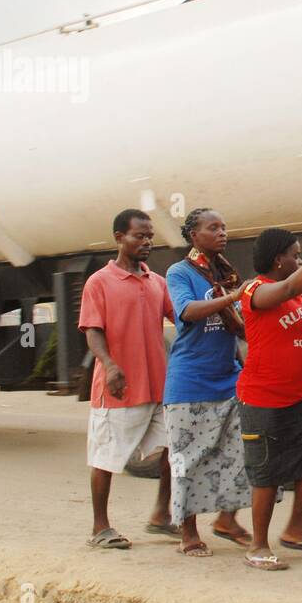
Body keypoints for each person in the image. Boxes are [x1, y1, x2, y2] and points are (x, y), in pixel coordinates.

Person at [236, 227, 302, 571]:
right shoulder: (255, 289)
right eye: (294, 254)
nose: (297, 259)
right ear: (278, 258)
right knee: (266, 473)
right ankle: (258, 545)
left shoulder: (295, 295)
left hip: (299, 395)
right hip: (263, 398)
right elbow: (291, 286)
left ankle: (296, 529)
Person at [80, 209, 178, 549]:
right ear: (119, 237)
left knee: (173, 447)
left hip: (158, 386)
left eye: (150, 236)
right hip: (119, 388)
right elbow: (93, 330)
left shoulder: (158, 282)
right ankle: (99, 527)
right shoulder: (99, 282)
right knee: (106, 457)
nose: (147, 242)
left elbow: (182, 316)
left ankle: (161, 515)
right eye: (139, 236)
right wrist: (108, 364)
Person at [162, 207, 253, 558]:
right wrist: (231, 298)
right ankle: (188, 531)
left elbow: (239, 328)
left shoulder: (224, 273)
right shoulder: (179, 272)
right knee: (189, 459)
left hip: (228, 377)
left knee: (242, 451)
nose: (222, 232)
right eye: (212, 227)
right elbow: (186, 312)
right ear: (193, 235)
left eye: (224, 226)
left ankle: (227, 520)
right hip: (190, 381)